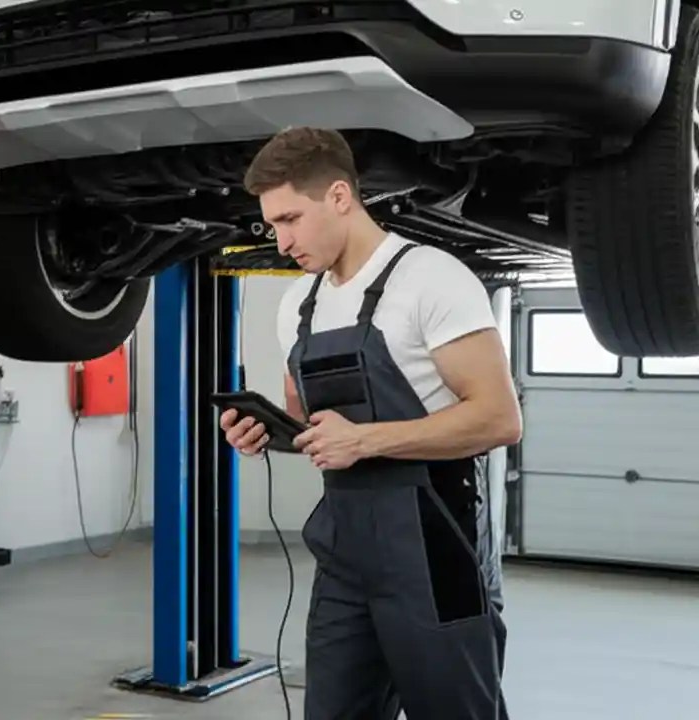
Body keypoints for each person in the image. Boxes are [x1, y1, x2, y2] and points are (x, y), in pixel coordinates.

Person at [219, 127, 522, 720]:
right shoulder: (297, 305)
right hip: (344, 553)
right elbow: (309, 418)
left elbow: (499, 417)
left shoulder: (430, 278)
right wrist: (266, 434)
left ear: (338, 196)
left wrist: (364, 441)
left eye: (290, 220)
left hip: (436, 548)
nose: (281, 243)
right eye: (272, 226)